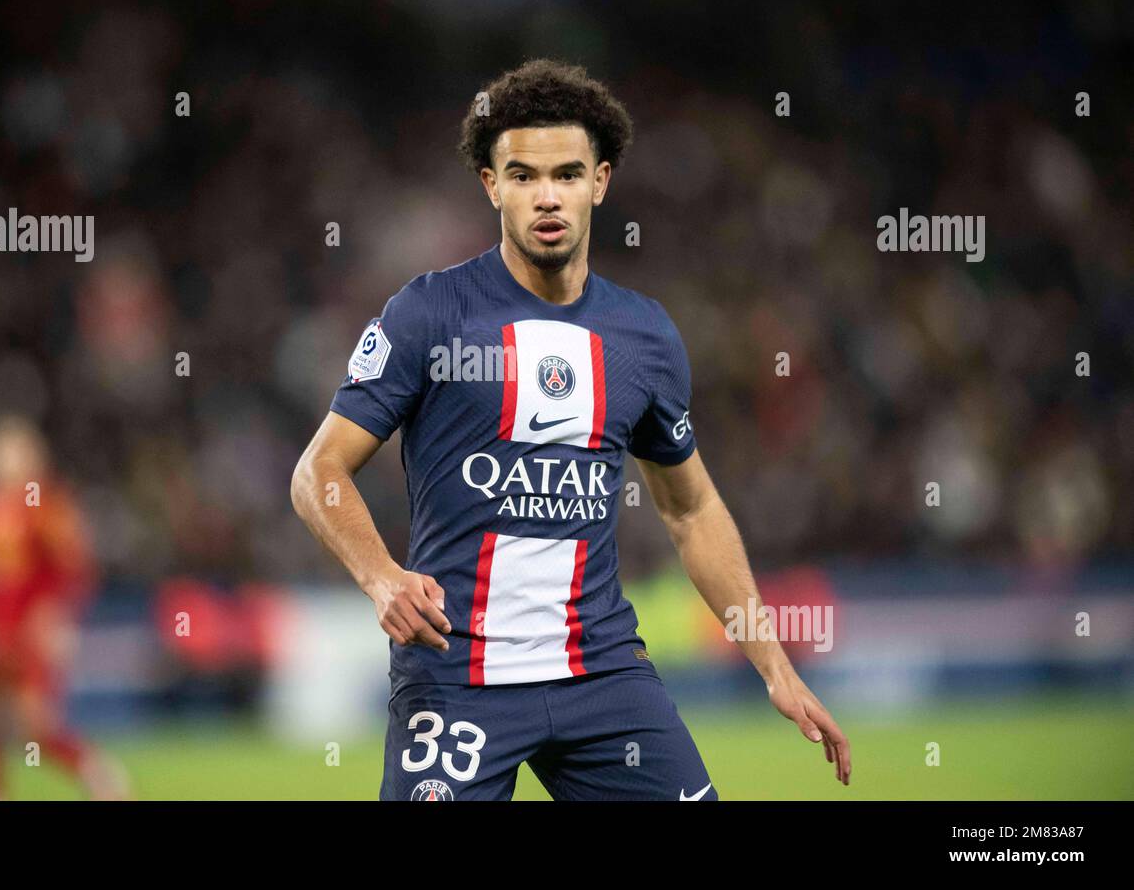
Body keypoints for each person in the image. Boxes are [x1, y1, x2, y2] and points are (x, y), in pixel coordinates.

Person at [291, 59, 850, 800]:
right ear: (491, 186)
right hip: (458, 679)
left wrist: (776, 666)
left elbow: (691, 509)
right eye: (521, 175)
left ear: (601, 181)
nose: (546, 196)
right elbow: (317, 471)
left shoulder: (644, 337)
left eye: (566, 173)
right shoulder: (429, 316)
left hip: (602, 674)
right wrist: (380, 576)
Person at [0, 414, 129, 800]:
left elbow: (75, 567)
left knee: (34, 723)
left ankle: (97, 772)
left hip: (30, 631)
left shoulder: (46, 504)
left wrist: (60, 616)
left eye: (15, 452)